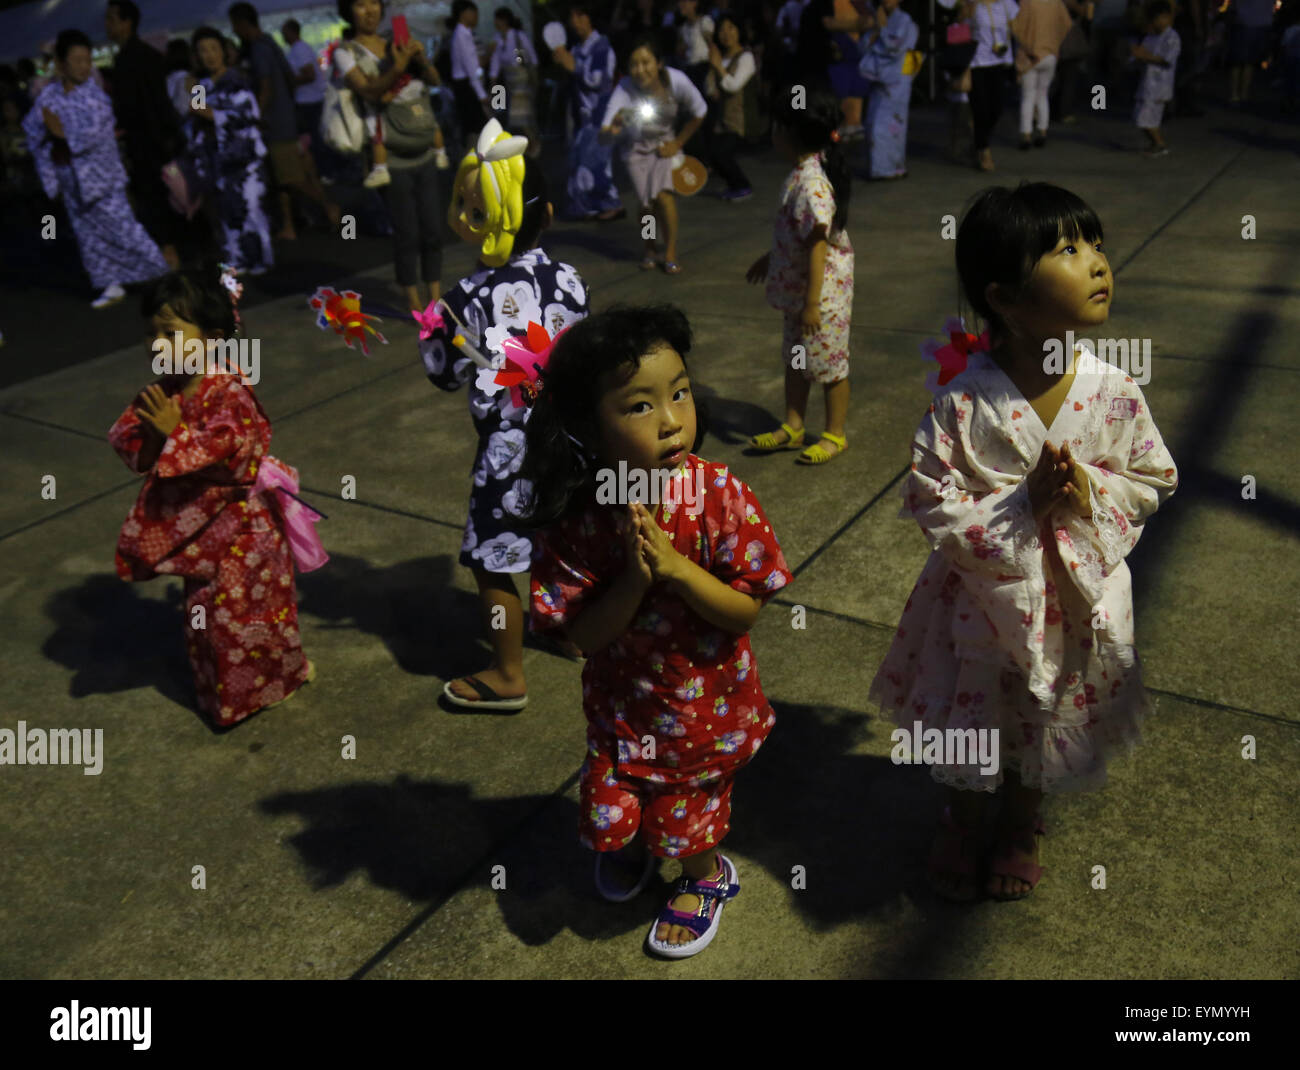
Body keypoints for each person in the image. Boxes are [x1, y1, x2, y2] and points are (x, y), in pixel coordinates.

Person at [870, 182, 1178, 901]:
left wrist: (1090, 494)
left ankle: (1021, 822)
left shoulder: (1115, 392)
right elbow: (930, 498)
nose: (1098, 262)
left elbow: (1153, 478)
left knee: (1043, 719)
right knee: (976, 713)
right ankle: (964, 813)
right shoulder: (963, 401)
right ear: (1005, 297)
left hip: (1072, 602)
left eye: (1096, 244)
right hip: (980, 602)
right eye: (1069, 249)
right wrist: (1019, 505)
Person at [519, 303, 793, 957]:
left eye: (679, 393)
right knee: (608, 815)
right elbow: (580, 636)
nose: (672, 420)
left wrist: (675, 571)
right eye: (639, 406)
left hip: (702, 707)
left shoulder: (720, 495)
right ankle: (632, 844)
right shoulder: (582, 518)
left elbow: (746, 609)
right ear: (590, 423)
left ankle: (705, 876)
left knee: (683, 824)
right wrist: (635, 583)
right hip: (623, 711)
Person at [109, 264, 322, 728]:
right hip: (203, 528)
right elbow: (130, 440)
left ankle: (271, 683)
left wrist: (176, 433)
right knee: (204, 614)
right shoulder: (165, 389)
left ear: (213, 336)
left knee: (245, 613)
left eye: (169, 332)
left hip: (244, 527)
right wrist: (152, 434)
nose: (156, 344)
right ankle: (223, 693)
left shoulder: (229, 389)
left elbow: (239, 454)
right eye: (150, 333)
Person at [423, 140, 590, 709]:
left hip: (507, 452)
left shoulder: (463, 299)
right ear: (546, 213)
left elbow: (443, 375)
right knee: (559, 541)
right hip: (570, 442)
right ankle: (570, 630)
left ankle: (508, 673)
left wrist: (432, 332)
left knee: (493, 559)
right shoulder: (569, 278)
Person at [22, 29, 169, 309]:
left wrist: (63, 135)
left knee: (124, 228)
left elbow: (98, 133)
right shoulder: (48, 95)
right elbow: (32, 128)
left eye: (87, 60)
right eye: (77, 60)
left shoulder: (95, 96)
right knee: (88, 235)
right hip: (70, 177)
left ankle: (161, 275)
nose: (84, 66)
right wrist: (48, 138)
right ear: (62, 64)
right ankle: (109, 283)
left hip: (101, 177)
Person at [746, 88, 853, 464]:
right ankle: (793, 424)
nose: (772, 134)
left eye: (777, 128)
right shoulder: (800, 174)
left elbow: (818, 244)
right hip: (800, 290)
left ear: (792, 135)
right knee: (796, 357)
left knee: (829, 364)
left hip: (820, 294)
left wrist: (812, 303)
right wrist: (770, 258)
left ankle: (835, 434)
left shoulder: (811, 185)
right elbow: (797, 235)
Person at [336, 0, 447, 311]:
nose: (369, 10)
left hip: (422, 145)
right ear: (349, 11)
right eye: (359, 4)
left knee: (433, 230)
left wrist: (420, 60)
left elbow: (435, 82)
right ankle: (413, 301)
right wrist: (398, 65)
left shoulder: (396, 44)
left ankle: (435, 297)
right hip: (390, 154)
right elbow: (369, 91)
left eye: (374, 3)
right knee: (407, 233)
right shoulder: (345, 53)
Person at [228, 2, 339, 238]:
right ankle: (290, 225)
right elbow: (289, 79)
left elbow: (267, 87)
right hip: (287, 117)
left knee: (292, 177)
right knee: (283, 179)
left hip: (277, 124)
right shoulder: (270, 44)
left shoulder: (260, 49)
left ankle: (330, 208)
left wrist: (255, 117)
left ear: (241, 24)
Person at [600, 34, 708, 274]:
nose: (640, 70)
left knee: (663, 197)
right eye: (634, 64)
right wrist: (613, 130)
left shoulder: (676, 81)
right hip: (635, 150)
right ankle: (649, 248)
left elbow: (700, 111)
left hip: (664, 145)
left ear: (659, 63)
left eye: (646, 62)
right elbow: (604, 133)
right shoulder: (624, 88)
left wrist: (678, 143)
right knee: (646, 204)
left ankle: (669, 251)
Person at [188, 27, 273, 274]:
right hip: (218, 159)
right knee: (228, 211)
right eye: (202, 51)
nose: (208, 55)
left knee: (250, 208)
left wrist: (209, 113)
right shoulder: (200, 84)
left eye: (213, 49)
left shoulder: (237, 80)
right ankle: (238, 258)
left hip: (244, 160)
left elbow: (246, 115)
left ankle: (258, 259)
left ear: (224, 51)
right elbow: (193, 114)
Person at [104, 0, 183, 267]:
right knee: (166, 195)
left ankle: (168, 252)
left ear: (127, 22)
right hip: (162, 136)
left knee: (154, 197)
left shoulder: (131, 59)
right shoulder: (151, 57)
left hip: (146, 139)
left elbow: (133, 105)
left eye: (111, 19)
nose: (107, 25)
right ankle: (175, 248)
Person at [552, 1, 625, 222]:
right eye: (573, 17)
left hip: (599, 115)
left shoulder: (602, 46)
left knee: (596, 163)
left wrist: (573, 67)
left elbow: (601, 80)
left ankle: (611, 204)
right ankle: (585, 206)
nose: (575, 22)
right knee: (578, 161)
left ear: (590, 19)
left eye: (580, 16)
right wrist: (563, 65)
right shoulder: (575, 49)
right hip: (580, 116)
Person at [858, 0, 920, 179]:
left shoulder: (905, 21)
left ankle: (890, 168)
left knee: (890, 126)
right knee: (873, 124)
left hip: (897, 82)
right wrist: (877, 29)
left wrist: (882, 28)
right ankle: (881, 168)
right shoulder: (877, 19)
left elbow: (894, 47)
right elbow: (863, 45)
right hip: (879, 81)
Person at [704, 11, 757, 200]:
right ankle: (734, 186)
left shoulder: (746, 57)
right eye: (722, 29)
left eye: (731, 28)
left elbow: (733, 85)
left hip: (740, 118)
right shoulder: (719, 57)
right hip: (722, 117)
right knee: (713, 153)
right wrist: (714, 68)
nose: (726, 33)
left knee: (721, 153)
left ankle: (743, 185)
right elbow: (709, 86)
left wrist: (718, 67)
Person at [1011, 0, 1072, 149]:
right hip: (1050, 54)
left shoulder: (1028, 3)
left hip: (1031, 55)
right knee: (1042, 95)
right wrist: (1055, 42)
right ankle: (1042, 131)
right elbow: (1067, 24)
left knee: (1028, 96)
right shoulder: (1057, 3)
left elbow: (1016, 28)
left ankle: (1026, 134)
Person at [488, 7, 541, 157]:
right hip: (509, 81)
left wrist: (534, 78)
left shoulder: (518, 36)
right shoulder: (498, 39)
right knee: (515, 115)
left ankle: (533, 142)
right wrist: (492, 82)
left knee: (521, 115)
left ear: (503, 21)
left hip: (522, 80)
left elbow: (529, 57)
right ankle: (530, 143)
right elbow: (495, 63)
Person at [1132, 0, 1179, 156]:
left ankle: (1160, 144)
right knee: (1141, 117)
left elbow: (1167, 59)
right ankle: (1155, 143)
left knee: (1146, 118)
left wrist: (1145, 56)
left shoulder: (1172, 37)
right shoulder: (1151, 37)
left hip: (1159, 85)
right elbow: (1141, 54)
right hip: (1147, 83)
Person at [281, 18, 328, 174]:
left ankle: (323, 170)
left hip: (309, 101)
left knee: (314, 138)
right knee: (312, 137)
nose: (283, 36)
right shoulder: (297, 49)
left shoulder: (300, 49)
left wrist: (290, 82)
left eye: (284, 32)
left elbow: (310, 74)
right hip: (307, 100)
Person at [449, 0, 491, 142]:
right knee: (476, 128)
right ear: (464, 14)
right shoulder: (462, 35)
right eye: (473, 13)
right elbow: (471, 66)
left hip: (468, 84)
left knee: (474, 127)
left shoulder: (465, 33)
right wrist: (481, 94)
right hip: (466, 86)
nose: (476, 17)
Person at [1228, 0, 1274, 105]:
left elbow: (1233, 7)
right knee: (1245, 61)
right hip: (1254, 23)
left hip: (1247, 23)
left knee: (1242, 61)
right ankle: (1241, 94)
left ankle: (1238, 94)